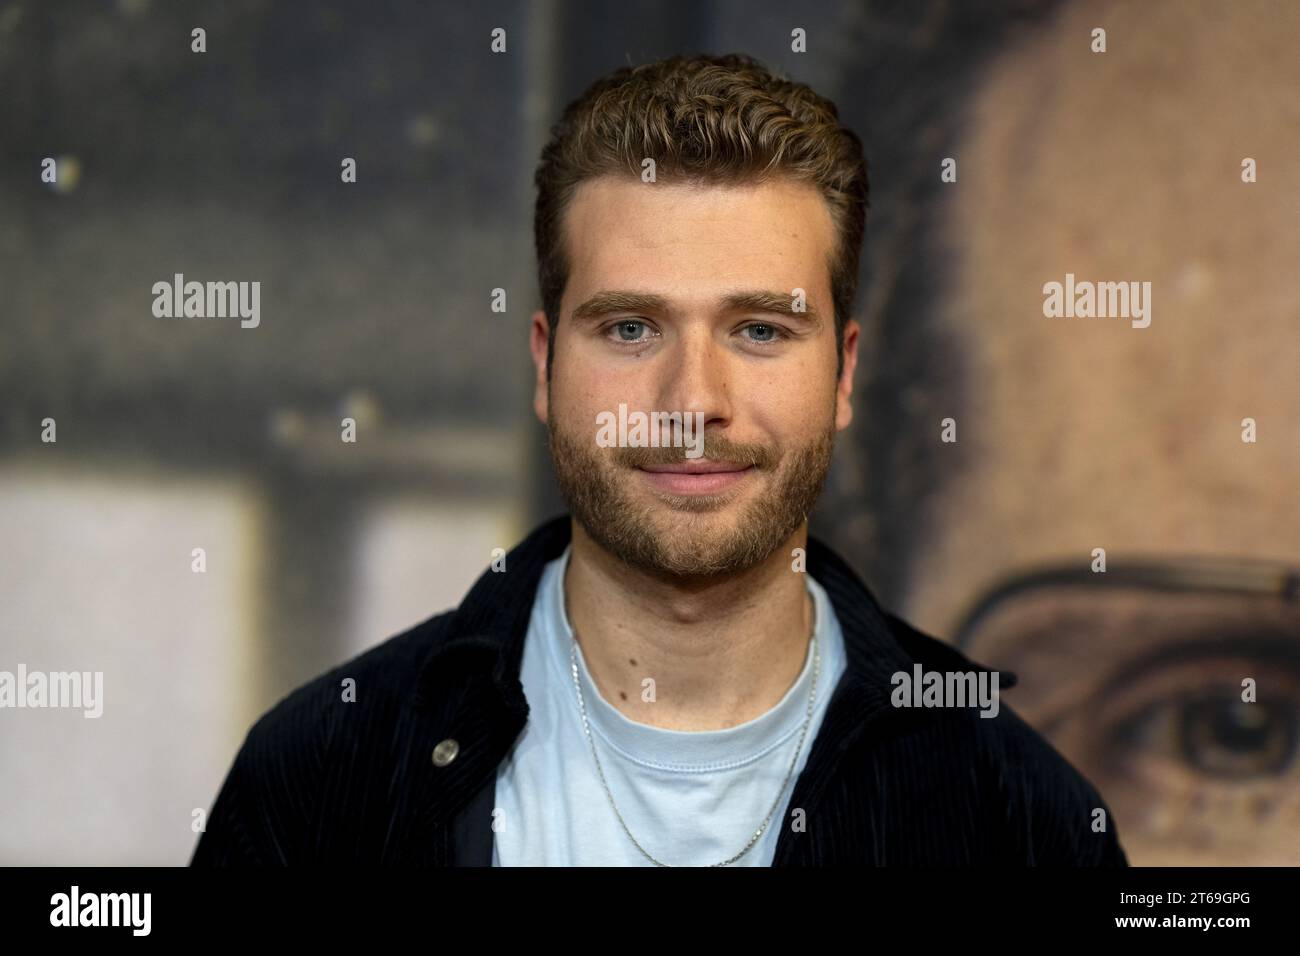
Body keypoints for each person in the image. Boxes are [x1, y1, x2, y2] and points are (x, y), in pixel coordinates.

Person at [191, 53, 1127, 866]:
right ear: (545, 364)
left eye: (759, 330)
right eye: (631, 328)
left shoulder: (1018, 817)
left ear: (843, 374)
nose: (693, 404)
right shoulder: (323, 775)